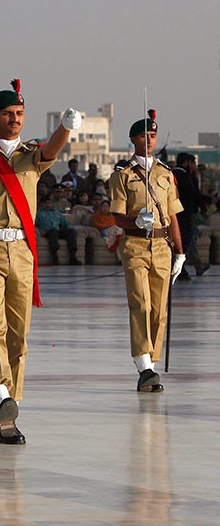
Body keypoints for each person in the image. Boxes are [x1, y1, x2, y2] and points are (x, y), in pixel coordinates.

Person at [0, 79, 81, 445]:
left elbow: (52, 150)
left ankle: (12, 407)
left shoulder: (29, 155)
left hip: (22, 252)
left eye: (20, 114)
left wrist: (65, 127)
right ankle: (0, 394)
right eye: (8, 114)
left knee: (18, 334)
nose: (15, 119)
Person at [108, 111, 185, 392]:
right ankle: (144, 365)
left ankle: (151, 362)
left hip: (162, 247)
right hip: (136, 244)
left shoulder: (166, 173)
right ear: (133, 140)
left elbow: (174, 215)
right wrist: (135, 221)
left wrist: (180, 251)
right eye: (144, 135)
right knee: (140, 303)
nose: (149, 140)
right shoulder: (122, 176)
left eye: (153, 135)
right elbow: (117, 216)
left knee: (159, 309)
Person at [172, 153, 208, 278]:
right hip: (184, 214)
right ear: (186, 163)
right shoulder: (184, 176)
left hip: (175, 214)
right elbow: (192, 195)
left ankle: (182, 269)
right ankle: (179, 269)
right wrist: (203, 206)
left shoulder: (171, 174)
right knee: (185, 241)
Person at [36, 197, 79, 265]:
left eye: (49, 203)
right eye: (45, 203)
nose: (47, 205)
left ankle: (73, 256)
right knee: (53, 232)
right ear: (41, 204)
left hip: (57, 231)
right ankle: (55, 257)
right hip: (46, 232)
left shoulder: (56, 213)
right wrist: (39, 230)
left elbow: (66, 223)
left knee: (71, 231)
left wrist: (69, 228)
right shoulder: (38, 214)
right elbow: (33, 224)